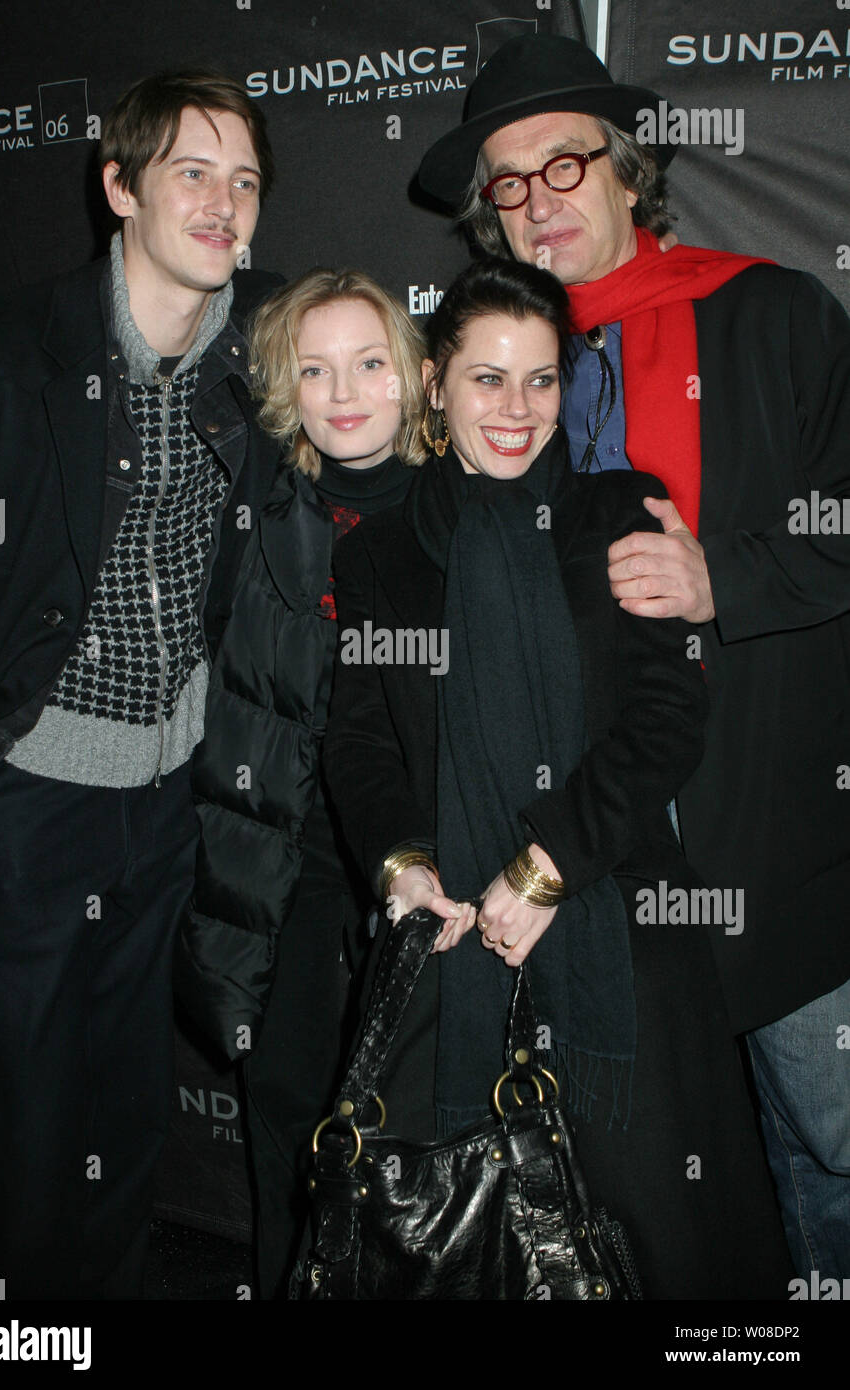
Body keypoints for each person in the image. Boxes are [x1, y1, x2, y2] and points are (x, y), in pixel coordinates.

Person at [416, 31, 850, 1285]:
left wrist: (732, 574)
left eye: (564, 165)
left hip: (772, 838)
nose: (538, 199)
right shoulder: (504, 384)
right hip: (587, 858)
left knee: (828, 1143)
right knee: (671, 1181)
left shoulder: (768, 314)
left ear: (624, 169)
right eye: (507, 182)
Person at [322, 256, 790, 1299]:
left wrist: (544, 868)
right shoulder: (382, 559)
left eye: (541, 379)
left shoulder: (622, 512)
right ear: (435, 383)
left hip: (615, 933)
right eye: (486, 378)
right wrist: (400, 867)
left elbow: (666, 719)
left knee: (665, 1245)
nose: (516, 408)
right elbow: (360, 744)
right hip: (450, 947)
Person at [0, 70, 282, 1298]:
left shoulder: (271, 351)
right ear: (119, 187)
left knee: (128, 1102)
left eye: (243, 181)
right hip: (25, 799)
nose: (223, 203)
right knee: (23, 1116)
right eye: (193, 172)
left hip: (172, 795)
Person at [174, 268, 427, 1298]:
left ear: (413, 377)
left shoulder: (462, 510)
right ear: (284, 385)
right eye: (313, 367)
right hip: (277, 843)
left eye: (369, 361)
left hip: (415, 848)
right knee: (282, 1097)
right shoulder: (252, 508)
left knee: (411, 1098)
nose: (345, 389)